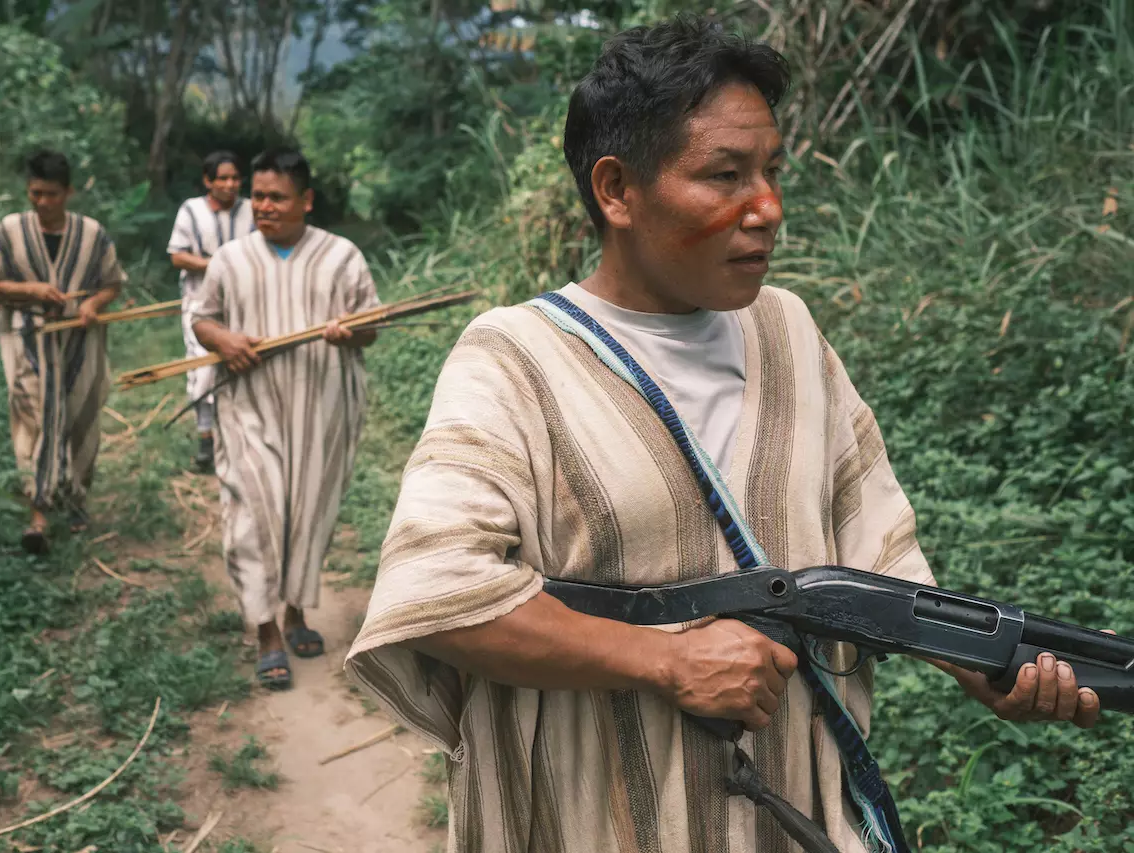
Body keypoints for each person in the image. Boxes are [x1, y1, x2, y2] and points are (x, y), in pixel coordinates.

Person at [344, 16, 1104, 853]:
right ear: (616, 190)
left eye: (773, 171)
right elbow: (436, 593)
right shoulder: (516, 358)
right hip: (593, 808)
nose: (768, 208)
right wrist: (662, 660)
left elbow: (874, 537)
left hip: (790, 805)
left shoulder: (788, 330)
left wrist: (980, 664)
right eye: (725, 175)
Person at [189, 148, 381, 690]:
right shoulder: (230, 259)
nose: (264, 206)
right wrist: (225, 339)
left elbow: (372, 324)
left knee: (305, 513)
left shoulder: (342, 257)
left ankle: (296, 611)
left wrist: (353, 328)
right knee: (252, 511)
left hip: (322, 409)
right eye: (258, 196)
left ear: (306, 200)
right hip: (248, 406)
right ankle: (266, 630)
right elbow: (204, 320)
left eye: (277, 197)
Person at [0, 149, 127, 554]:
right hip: (26, 339)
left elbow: (113, 283)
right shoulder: (10, 230)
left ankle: (75, 498)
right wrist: (32, 290)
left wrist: (92, 305)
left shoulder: (92, 234)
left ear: (69, 192)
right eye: (35, 193)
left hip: (79, 340)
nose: (42, 202)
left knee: (79, 417)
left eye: (51, 194)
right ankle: (39, 512)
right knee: (37, 416)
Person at [167, 150, 254, 472]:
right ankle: (206, 439)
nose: (230, 185)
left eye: (235, 178)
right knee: (203, 370)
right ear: (208, 181)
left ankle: (240, 440)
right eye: (223, 178)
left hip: (245, 302)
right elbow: (177, 256)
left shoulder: (251, 210)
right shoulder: (191, 211)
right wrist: (216, 265)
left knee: (243, 363)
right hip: (200, 303)